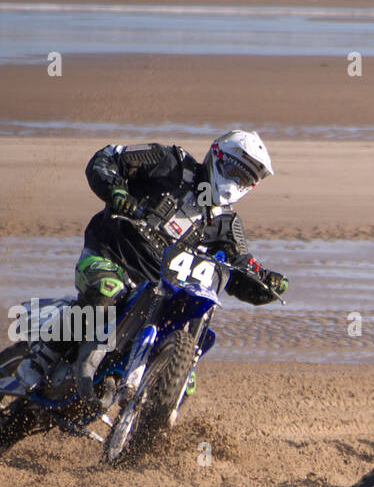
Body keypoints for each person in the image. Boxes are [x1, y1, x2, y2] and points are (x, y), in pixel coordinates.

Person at [69, 130, 289, 412]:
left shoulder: (226, 224)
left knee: (187, 379)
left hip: (156, 291)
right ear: (217, 156)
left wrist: (266, 282)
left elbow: (240, 266)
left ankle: (149, 437)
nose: (235, 180)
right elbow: (106, 159)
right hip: (110, 256)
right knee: (105, 291)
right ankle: (47, 353)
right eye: (234, 169)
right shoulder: (170, 163)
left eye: (244, 178)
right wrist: (117, 191)